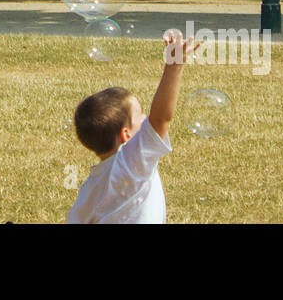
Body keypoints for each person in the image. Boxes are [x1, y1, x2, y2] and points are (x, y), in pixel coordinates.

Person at [66, 30, 192, 224]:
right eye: (140, 115)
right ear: (126, 135)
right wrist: (173, 67)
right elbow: (160, 119)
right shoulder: (131, 162)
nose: (146, 118)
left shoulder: (90, 187)